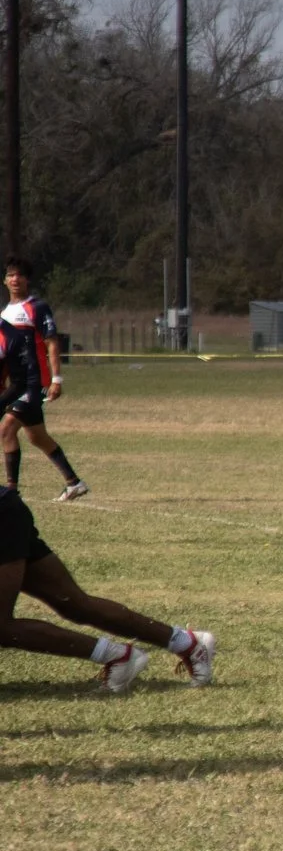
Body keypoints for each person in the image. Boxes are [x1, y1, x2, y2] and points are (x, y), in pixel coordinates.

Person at [1, 484, 213, 689]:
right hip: (7, 510)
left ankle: (119, 656)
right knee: (74, 604)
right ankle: (185, 643)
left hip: (4, 515)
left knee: (3, 626)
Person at [2, 257, 88, 501]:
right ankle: (74, 483)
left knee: (6, 429)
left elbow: (52, 343)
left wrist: (56, 379)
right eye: (11, 275)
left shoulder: (37, 307)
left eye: (20, 275)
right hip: (17, 384)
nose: (15, 279)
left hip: (35, 381)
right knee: (36, 436)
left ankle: (11, 492)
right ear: (5, 280)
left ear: (27, 280)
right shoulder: (5, 313)